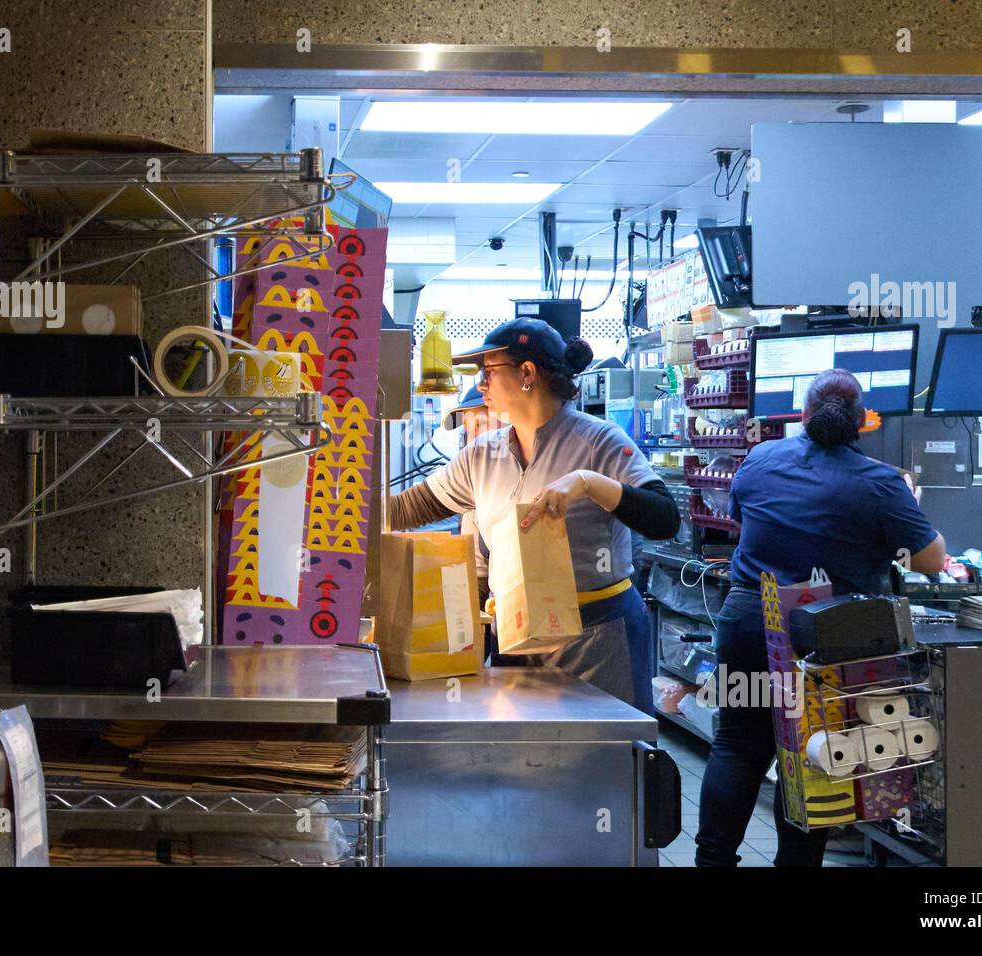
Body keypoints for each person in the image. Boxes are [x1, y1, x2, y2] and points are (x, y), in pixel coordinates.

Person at [695, 369, 946, 867]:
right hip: (826, 635)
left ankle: (711, 860)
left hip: (750, 619)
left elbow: (746, 525)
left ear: (803, 416)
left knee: (739, 744)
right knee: (814, 749)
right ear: (862, 423)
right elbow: (931, 560)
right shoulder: (879, 483)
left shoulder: (760, 459)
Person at [388, 318, 680, 714]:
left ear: (527, 373)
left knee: (604, 759)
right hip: (516, 634)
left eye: (488, 371)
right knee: (528, 759)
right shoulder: (480, 455)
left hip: (595, 637)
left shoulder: (598, 441)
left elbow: (664, 518)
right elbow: (406, 509)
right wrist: (337, 513)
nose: (480, 384)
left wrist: (587, 482)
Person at [442, 385, 501, 608]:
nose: (472, 439)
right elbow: (477, 573)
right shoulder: (475, 491)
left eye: (480, 425)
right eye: (468, 431)